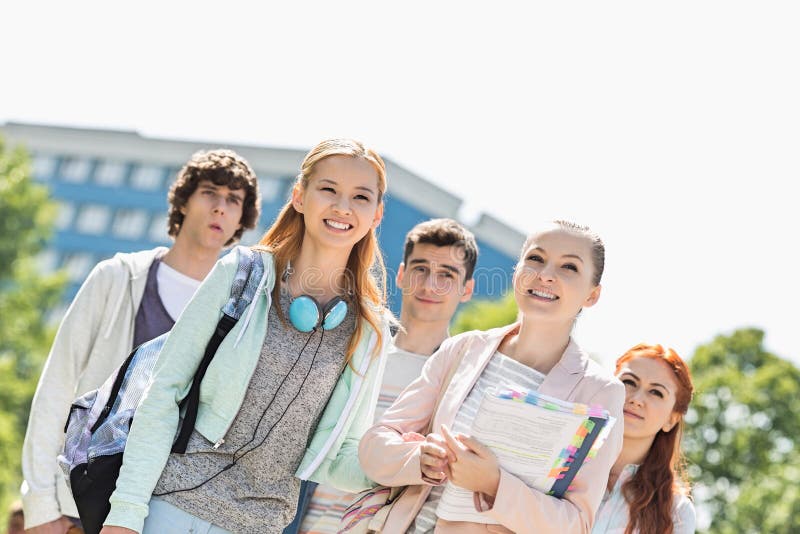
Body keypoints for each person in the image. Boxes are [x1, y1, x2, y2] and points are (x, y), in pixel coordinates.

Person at [99, 138, 392, 534]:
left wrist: (406, 465)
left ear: (376, 215)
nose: (343, 207)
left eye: (360, 196)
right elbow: (164, 391)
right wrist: (126, 514)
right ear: (300, 196)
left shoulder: (367, 329)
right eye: (328, 189)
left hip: (259, 525)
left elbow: (337, 458)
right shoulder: (242, 273)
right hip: (167, 509)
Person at [21, 149, 261, 533]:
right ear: (183, 200)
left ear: (241, 219)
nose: (220, 208)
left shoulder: (239, 312)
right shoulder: (116, 278)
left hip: (166, 511)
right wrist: (40, 504)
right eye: (210, 193)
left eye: (234, 201)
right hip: (78, 502)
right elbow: (56, 387)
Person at [359, 220, 626, 533]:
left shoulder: (599, 392)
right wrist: (420, 459)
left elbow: (575, 522)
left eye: (569, 267)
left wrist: (494, 484)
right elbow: (374, 446)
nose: (545, 275)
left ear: (592, 295)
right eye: (536, 259)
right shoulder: (462, 349)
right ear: (517, 270)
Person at [297, 218, 478, 533]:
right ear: (401, 275)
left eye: (446, 275)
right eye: (420, 269)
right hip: (301, 521)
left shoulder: (461, 383)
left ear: (467, 289)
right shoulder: (356, 349)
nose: (429, 284)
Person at [592, 343, 696, 534]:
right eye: (629, 382)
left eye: (656, 392)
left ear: (672, 420)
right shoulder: (556, 463)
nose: (636, 399)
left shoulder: (677, 513)